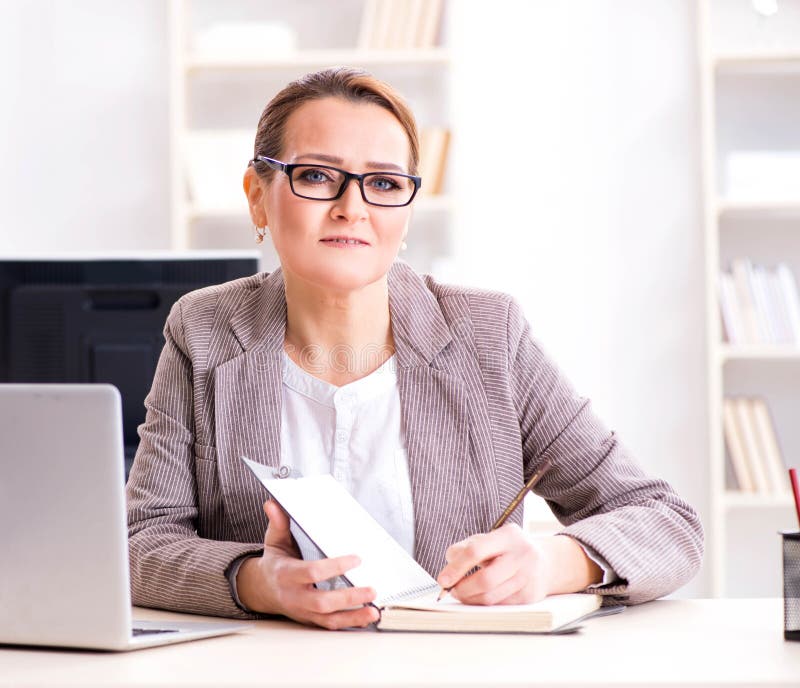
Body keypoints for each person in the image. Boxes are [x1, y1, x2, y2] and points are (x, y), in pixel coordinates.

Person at [127, 67, 703, 630]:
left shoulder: (489, 335)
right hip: (267, 671)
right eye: (318, 176)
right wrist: (260, 582)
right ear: (258, 196)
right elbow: (139, 543)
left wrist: (551, 563)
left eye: (383, 184)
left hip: (450, 668)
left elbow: (668, 524)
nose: (352, 208)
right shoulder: (203, 330)